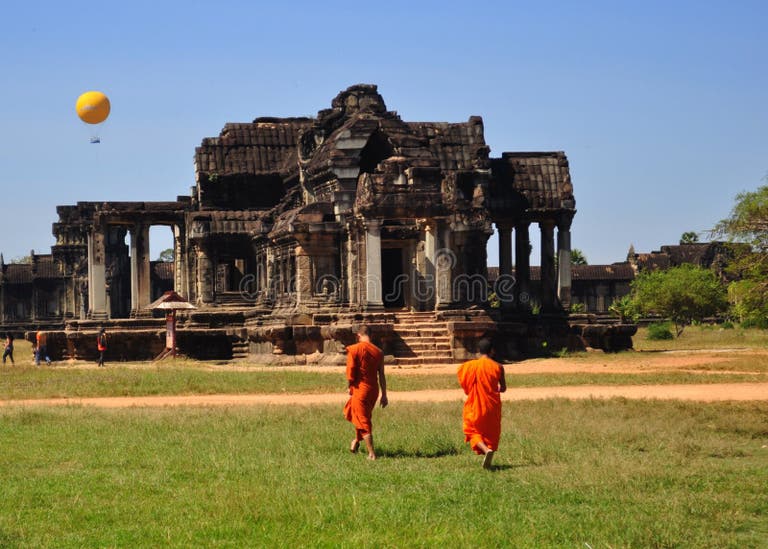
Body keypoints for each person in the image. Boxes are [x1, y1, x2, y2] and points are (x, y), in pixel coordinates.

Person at [457, 338, 507, 469]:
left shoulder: (470, 366)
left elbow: (464, 382)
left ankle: (486, 450)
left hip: (476, 404)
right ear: (492, 351)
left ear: (479, 351)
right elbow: (503, 388)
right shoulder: (499, 367)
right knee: (490, 431)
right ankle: (488, 451)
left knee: (471, 430)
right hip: (492, 406)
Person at [344, 325, 388, 460]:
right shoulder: (379, 352)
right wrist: (384, 395)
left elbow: (351, 371)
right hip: (373, 390)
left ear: (358, 336)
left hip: (360, 389)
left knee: (363, 420)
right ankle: (356, 442)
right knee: (359, 414)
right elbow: (382, 374)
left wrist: (349, 385)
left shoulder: (354, 349)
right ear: (371, 335)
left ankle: (372, 454)